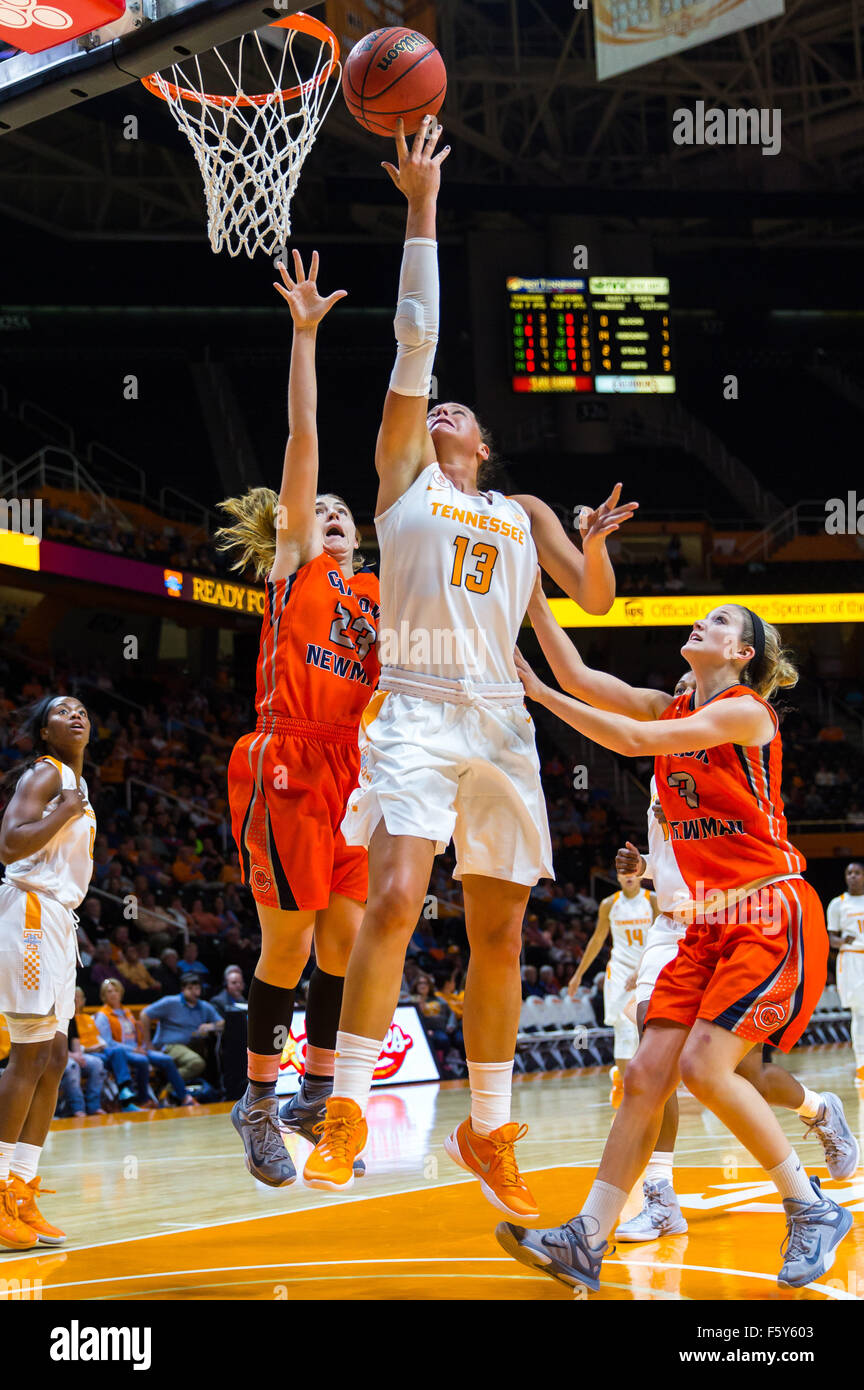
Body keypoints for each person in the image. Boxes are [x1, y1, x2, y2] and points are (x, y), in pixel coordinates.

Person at [303, 116, 636, 1215]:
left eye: (461, 412)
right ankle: (346, 1099)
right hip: (413, 708)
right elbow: (413, 342)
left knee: (498, 929)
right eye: (435, 405)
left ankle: (489, 1128)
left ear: (484, 445)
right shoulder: (407, 485)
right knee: (396, 894)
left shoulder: (516, 507)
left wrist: (589, 548)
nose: (443, 408)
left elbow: (589, 604)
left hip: (500, 720)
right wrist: (423, 206)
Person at [499, 591, 851, 1290]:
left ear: (742, 655)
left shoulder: (746, 713)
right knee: (644, 1077)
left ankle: (810, 1208)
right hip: (702, 926)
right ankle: (586, 1240)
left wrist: (534, 692)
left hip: (768, 910)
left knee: (705, 1068)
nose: (704, 621)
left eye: (721, 620)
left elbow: (629, 741)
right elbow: (579, 676)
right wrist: (534, 594)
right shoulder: (671, 704)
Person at [218, 250, 379, 1187]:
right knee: (288, 942)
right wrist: (306, 335)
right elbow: (305, 434)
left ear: (355, 536)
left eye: (336, 514)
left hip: (355, 773)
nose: (322, 514)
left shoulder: (374, 598)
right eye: (310, 511)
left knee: (343, 947)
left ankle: (318, 1093)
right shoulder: (297, 575)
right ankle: (258, 1100)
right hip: (285, 761)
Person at [0, 694, 95, 1250]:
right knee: (31, 1052)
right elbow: (9, 846)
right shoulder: (45, 773)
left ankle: (22, 1185)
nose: (76, 715)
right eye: (63, 711)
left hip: (59, 920)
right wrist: (64, 809)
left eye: (82, 709)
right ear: (42, 733)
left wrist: (71, 806)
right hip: (30, 916)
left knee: (55, 1055)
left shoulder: (76, 787)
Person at [568, 869, 657, 1108]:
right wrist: (578, 975)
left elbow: (660, 937)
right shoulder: (609, 904)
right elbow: (597, 940)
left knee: (648, 1032)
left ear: (641, 875)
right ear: (617, 877)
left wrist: (640, 971)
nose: (628, 876)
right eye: (623, 873)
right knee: (625, 1030)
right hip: (618, 973)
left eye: (633, 872)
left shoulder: (653, 900)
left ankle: (629, 1078)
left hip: (647, 970)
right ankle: (629, 1091)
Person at [96, 979, 195, 1108]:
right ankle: (143, 1099)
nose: (113, 994)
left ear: (121, 993)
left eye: (116, 991)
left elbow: (137, 1034)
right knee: (142, 1060)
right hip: (121, 1052)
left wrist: (142, 1046)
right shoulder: (102, 1015)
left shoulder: (127, 1012)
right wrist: (133, 1050)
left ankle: (184, 1096)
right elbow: (108, 1042)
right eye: (109, 992)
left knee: (167, 1059)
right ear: (104, 995)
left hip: (138, 1049)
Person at [69, 986, 140, 1112]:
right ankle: (94, 1106)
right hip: (88, 1052)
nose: (76, 1000)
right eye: (73, 997)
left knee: (118, 1051)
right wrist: (90, 1049)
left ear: (84, 1000)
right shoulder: (68, 1019)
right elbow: (73, 1044)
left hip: (99, 1049)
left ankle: (124, 1088)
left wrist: (101, 1045)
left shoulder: (88, 1018)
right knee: (100, 1063)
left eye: (79, 997)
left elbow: (98, 1038)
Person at [827, 861, 864, 1083]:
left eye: (857, 873)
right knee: (859, 1013)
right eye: (849, 873)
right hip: (851, 960)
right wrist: (841, 941)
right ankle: (861, 1064)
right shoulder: (838, 904)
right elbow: (831, 937)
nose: (853, 876)